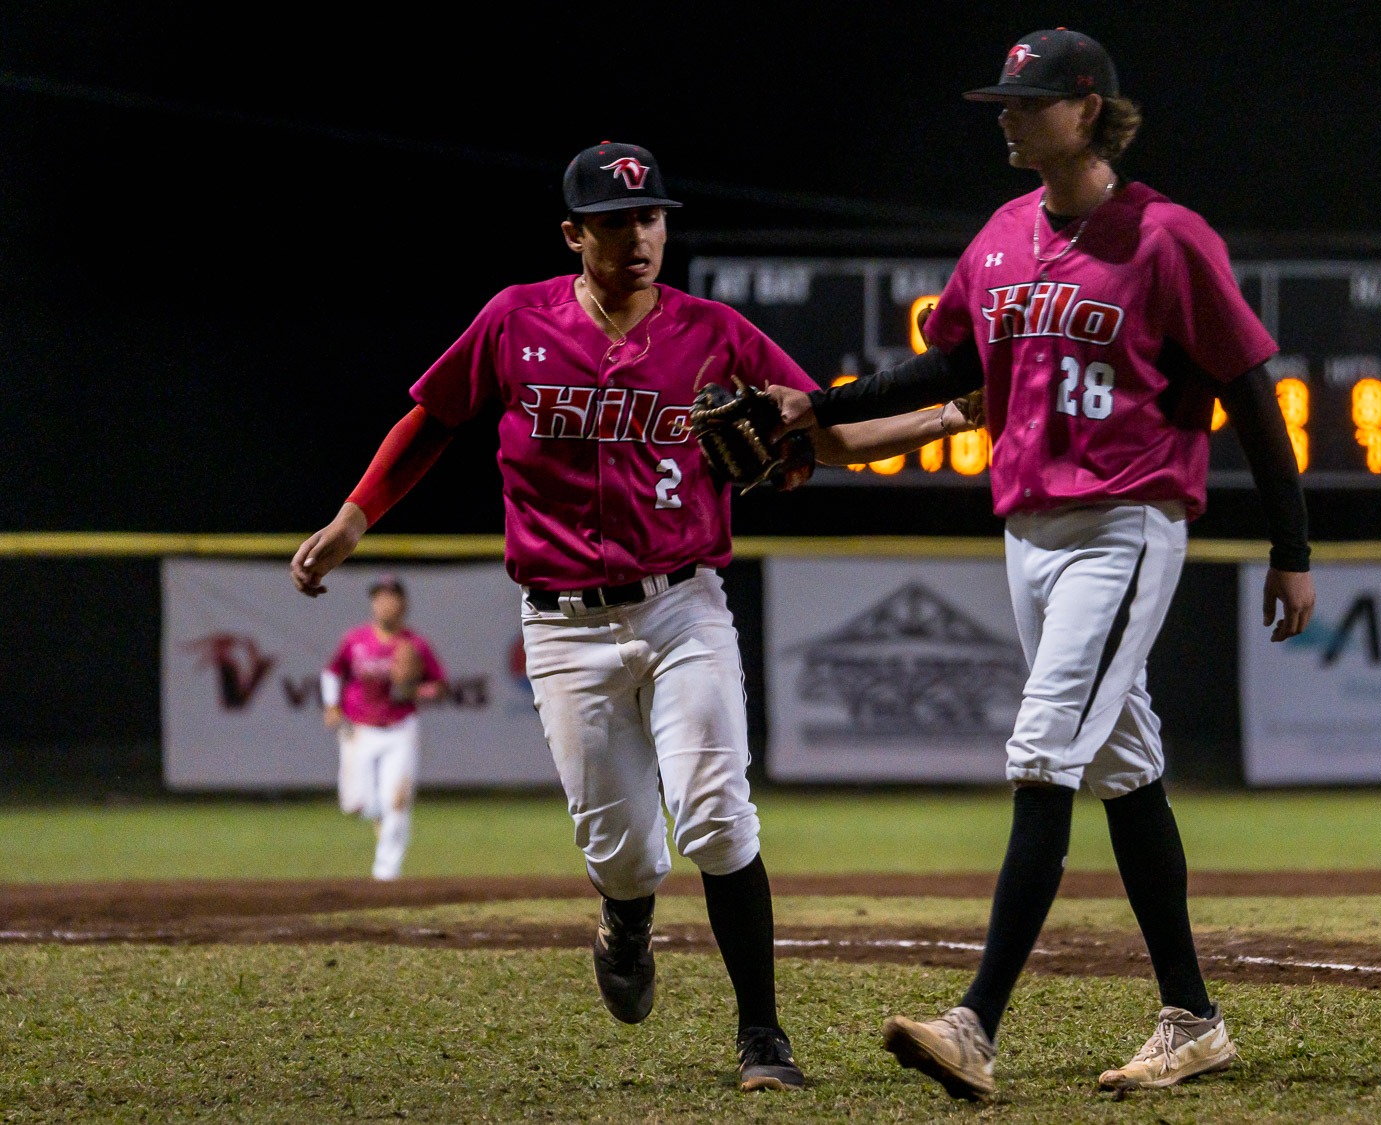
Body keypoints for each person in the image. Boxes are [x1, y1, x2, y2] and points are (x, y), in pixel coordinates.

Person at [288, 141, 971, 1093]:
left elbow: (834, 429)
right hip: (562, 625)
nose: (639, 236)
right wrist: (355, 515)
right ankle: (626, 914)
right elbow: (434, 416)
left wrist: (945, 421)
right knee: (624, 849)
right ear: (574, 234)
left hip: (682, 601)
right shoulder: (514, 320)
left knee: (719, 816)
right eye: (615, 222)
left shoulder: (715, 333)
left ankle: (762, 1037)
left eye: (651, 217)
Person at [774, 29, 1318, 1101]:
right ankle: (1193, 1021)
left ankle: (973, 1025)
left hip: (1124, 525)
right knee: (1121, 766)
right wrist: (822, 405)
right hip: (1027, 531)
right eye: (1001, 102)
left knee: (1041, 748)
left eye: (1024, 102)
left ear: (1085, 109)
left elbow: (1252, 390)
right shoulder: (999, 235)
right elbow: (947, 363)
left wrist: (1290, 548)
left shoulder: (1166, 238)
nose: (1005, 118)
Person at [321, 575, 445, 882]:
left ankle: (387, 874)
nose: (385, 603)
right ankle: (377, 813)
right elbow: (332, 672)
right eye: (379, 597)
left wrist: (416, 691)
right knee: (354, 804)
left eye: (391, 597)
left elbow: (439, 686)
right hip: (359, 730)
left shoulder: (415, 644)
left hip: (400, 727)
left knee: (398, 801)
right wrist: (331, 705)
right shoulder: (356, 640)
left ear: (403, 604)